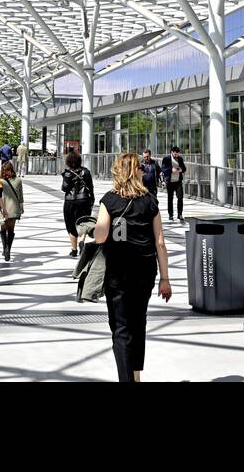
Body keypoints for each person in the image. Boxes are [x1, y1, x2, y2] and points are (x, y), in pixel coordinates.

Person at [94, 153, 173, 382]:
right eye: (139, 168)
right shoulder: (150, 201)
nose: (143, 171)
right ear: (133, 172)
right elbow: (160, 242)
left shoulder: (109, 200)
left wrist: (90, 230)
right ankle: (136, 376)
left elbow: (100, 237)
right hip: (145, 272)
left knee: (121, 328)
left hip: (118, 272)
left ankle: (128, 379)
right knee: (138, 322)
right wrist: (165, 279)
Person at [61, 151, 94, 257]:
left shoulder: (67, 173)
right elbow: (91, 187)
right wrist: (92, 199)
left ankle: (74, 249)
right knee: (83, 222)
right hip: (84, 200)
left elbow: (64, 188)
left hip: (70, 201)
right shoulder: (86, 172)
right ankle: (82, 240)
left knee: (70, 225)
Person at [0, 159, 24, 263]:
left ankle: (5, 248)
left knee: (3, 229)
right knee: (11, 230)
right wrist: (21, 207)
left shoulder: (0, 181)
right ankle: (8, 249)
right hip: (14, 208)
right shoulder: (18, 180)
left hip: (3, 208)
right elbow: (21, 196)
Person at [160, 146, 185, 223]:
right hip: (170, 182)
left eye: (178, 154)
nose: (176, 156)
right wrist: (171, 170)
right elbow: (163, 169)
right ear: (172, 152)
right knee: (170, 199)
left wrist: (181, 170)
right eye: (175, 154)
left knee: (180, 197)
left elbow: (184, 168)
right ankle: (170, 214)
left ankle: (180, 214)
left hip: (178, 182)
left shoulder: (180, 159)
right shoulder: (166, 159)